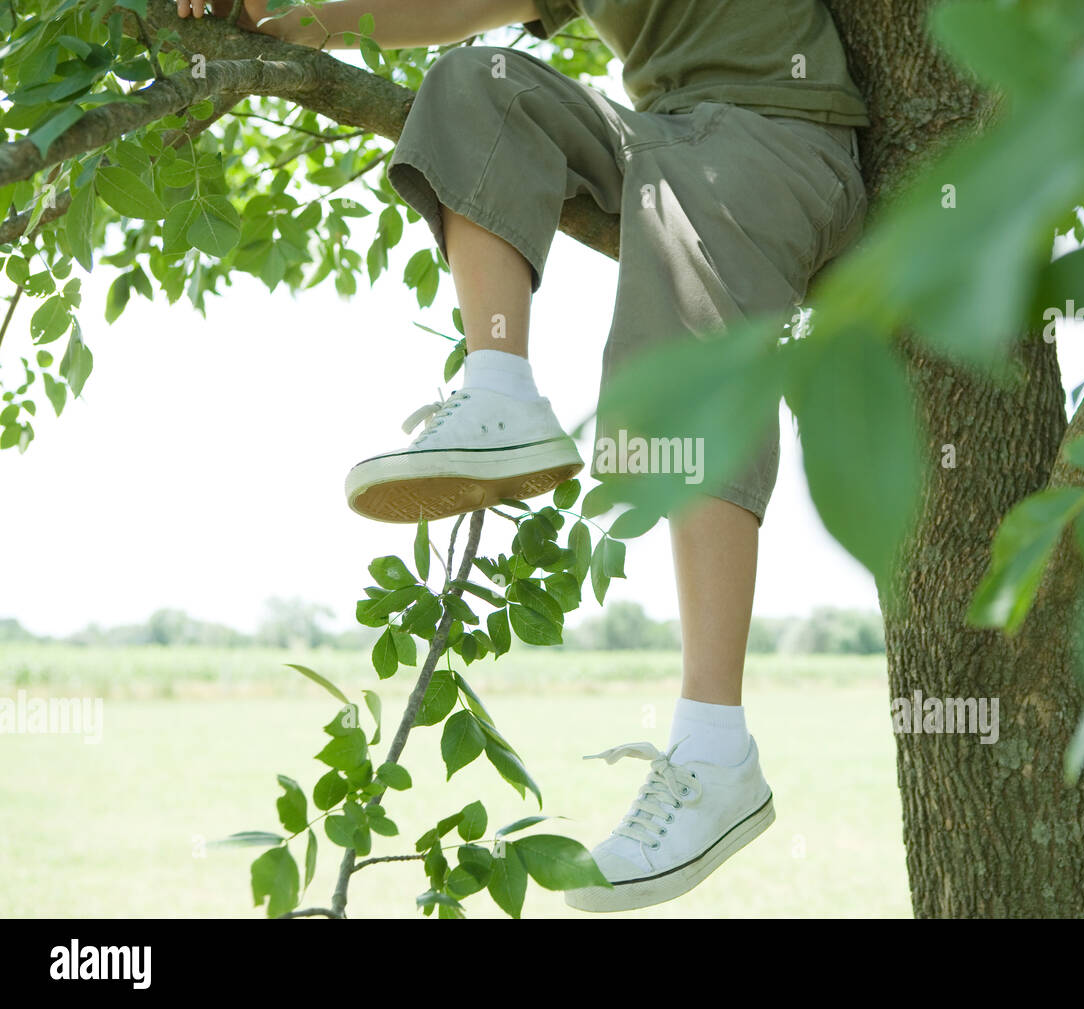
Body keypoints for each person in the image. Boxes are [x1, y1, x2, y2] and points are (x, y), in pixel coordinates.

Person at [179, 0, 869, 912]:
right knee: (476, 79)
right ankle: (500, 390)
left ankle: (716, 750)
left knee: (670, 369)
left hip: (783, 137)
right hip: (661, 136)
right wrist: (289, 16)